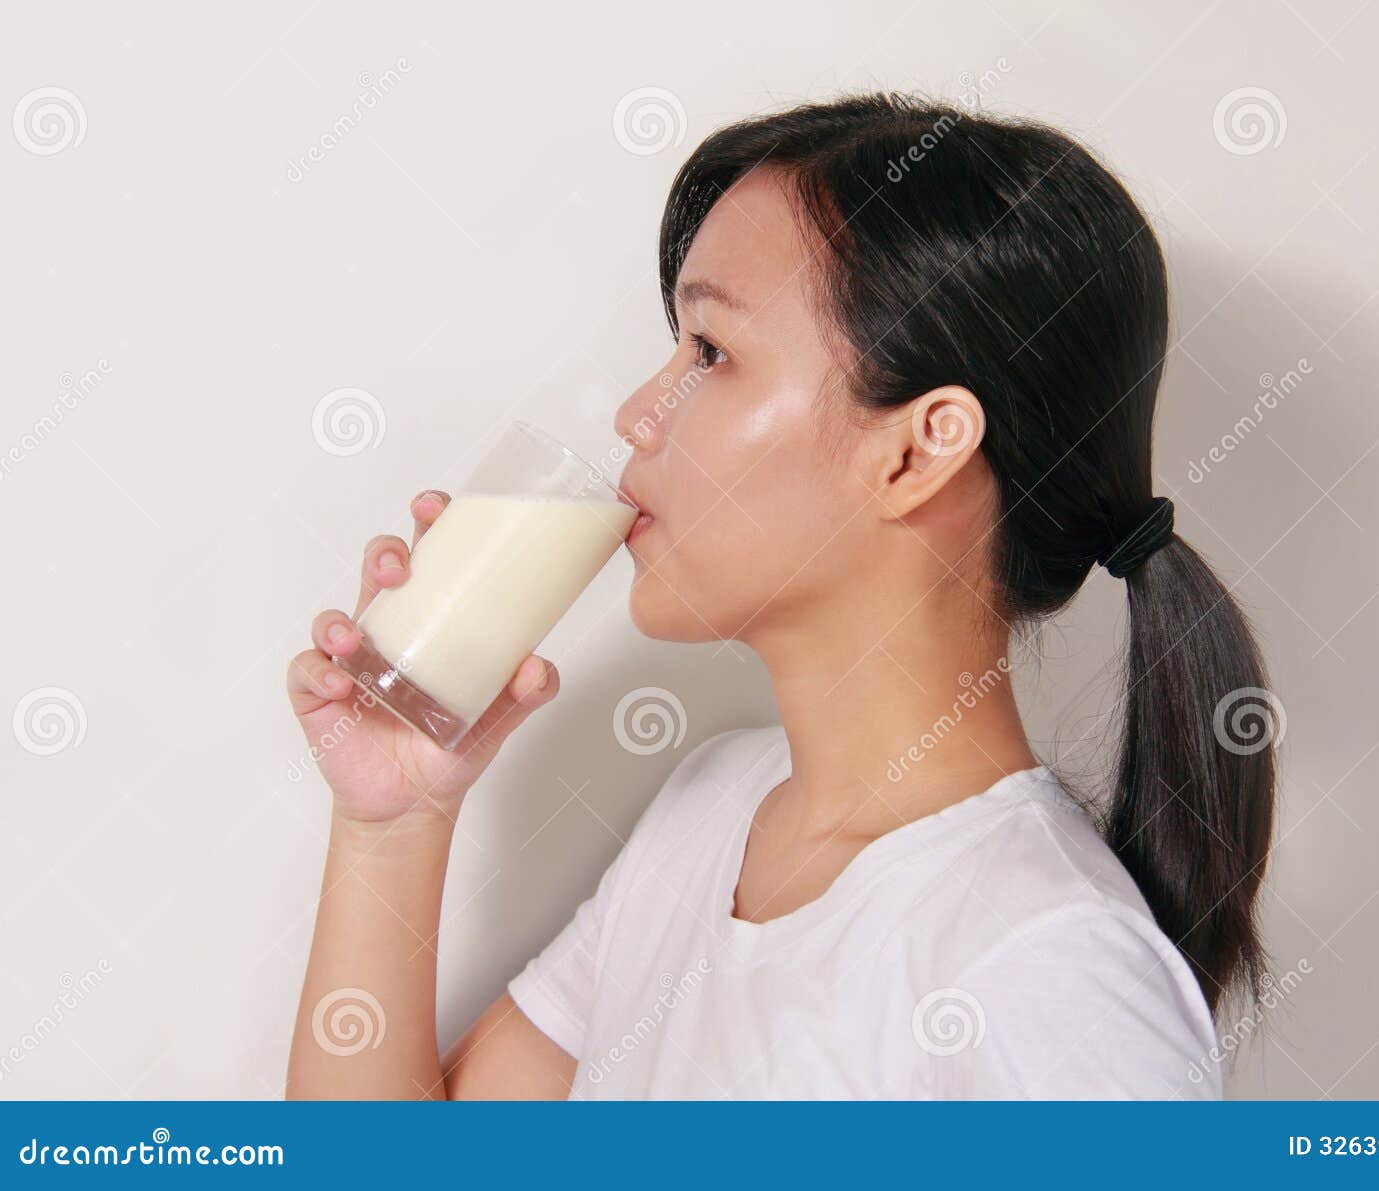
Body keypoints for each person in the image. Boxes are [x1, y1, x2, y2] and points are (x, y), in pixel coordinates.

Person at [285, 92, 1276, 1099]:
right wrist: (393, 822)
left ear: (916, 449)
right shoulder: (710, 814)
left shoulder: (1045, 967)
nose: (638, 412)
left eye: (709, 353)